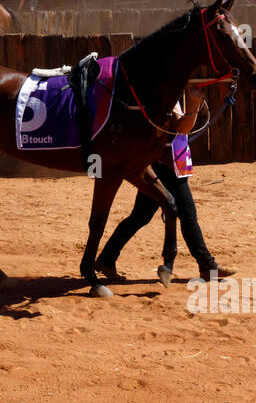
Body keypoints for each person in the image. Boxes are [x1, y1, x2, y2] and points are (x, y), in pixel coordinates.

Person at [97, 81, 232, 281]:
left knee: (140, 215)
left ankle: (107, 258)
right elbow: (182, 128)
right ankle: (206, 265)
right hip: (166, 165)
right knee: (187, 214)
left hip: (163, 162)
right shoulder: (164, 96)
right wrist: (194, 105)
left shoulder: (158, 92)